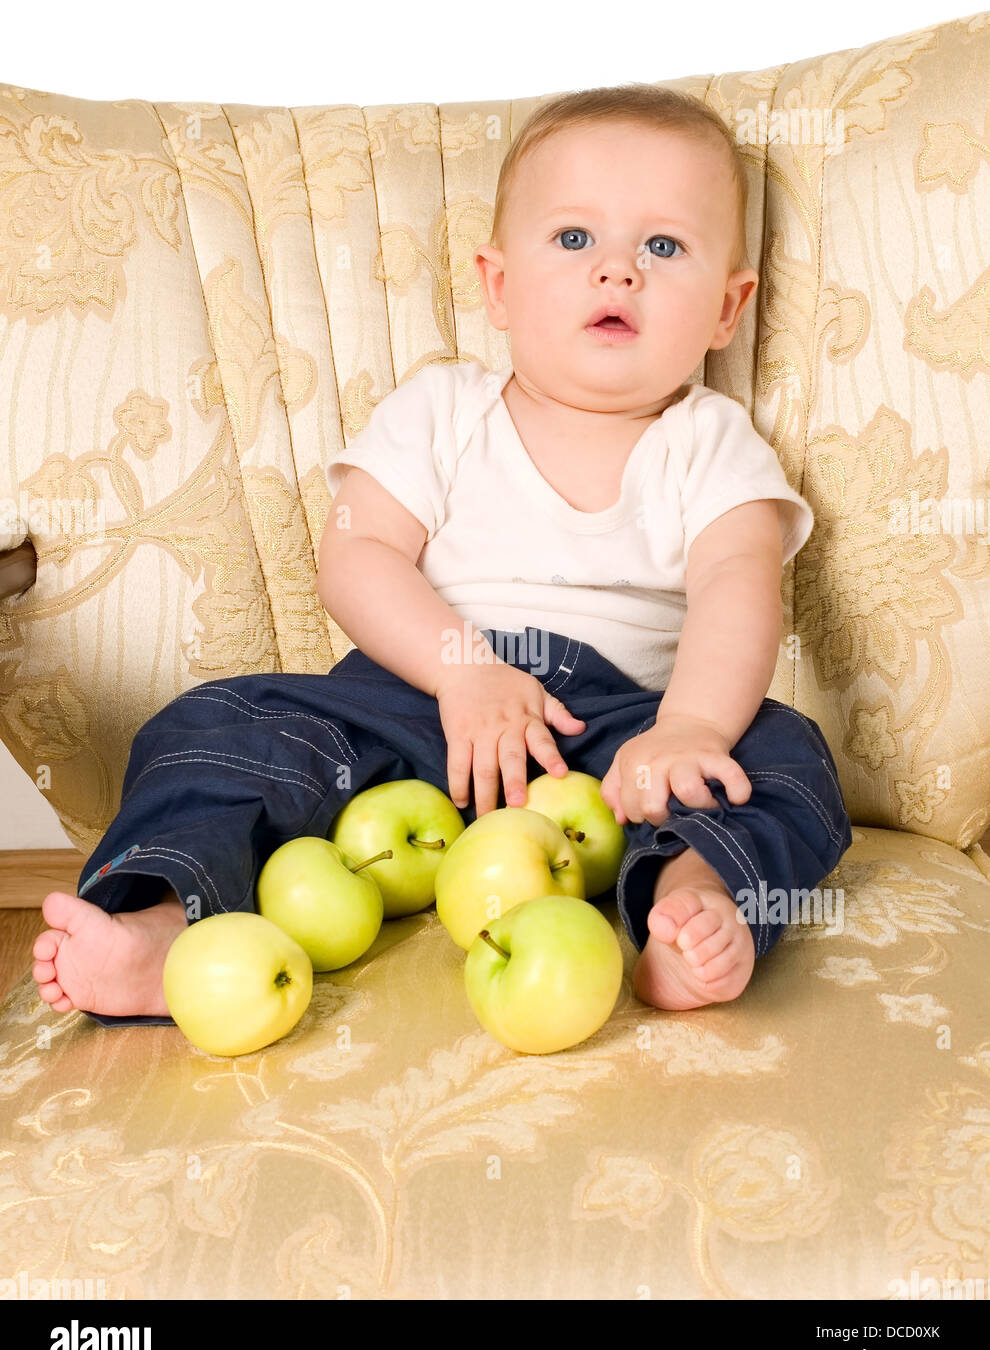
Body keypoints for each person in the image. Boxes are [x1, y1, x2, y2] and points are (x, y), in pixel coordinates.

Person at [31, 82, 852, 1027]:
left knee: (783, 755)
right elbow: (356, 556)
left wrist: (694, 730)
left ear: (727, 308)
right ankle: (166, 925)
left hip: (620, 735)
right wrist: (466, 674)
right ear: (498, 285)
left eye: (663, 247)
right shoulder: (444, 411)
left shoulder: (712, 441)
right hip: (417, 707)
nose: (617, 272)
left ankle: (693, 902)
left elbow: (737, 586)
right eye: (575, 240)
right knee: (216, 724)